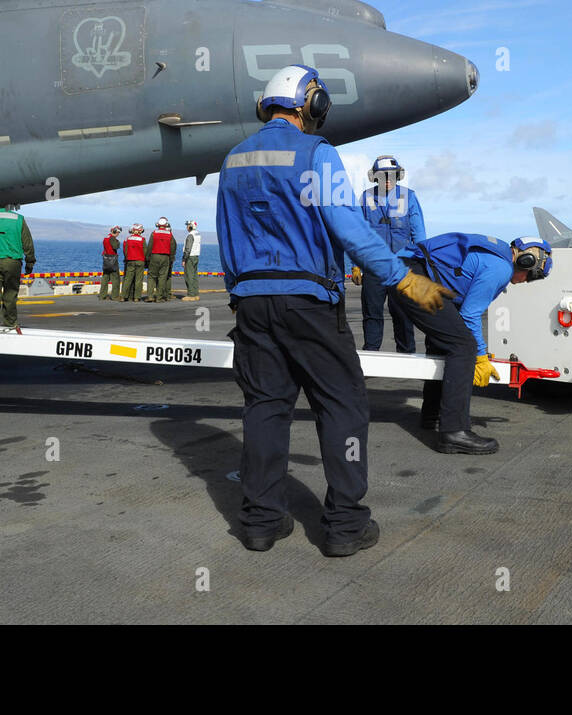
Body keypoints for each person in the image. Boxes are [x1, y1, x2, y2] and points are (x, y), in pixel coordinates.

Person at [217, 64, 453, 556]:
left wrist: (241, 296)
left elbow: (227, 233)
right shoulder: (316, 154)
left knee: (265, 407)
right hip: (308, 303)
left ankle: (261, 522)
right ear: (313, 105)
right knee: (341, 405)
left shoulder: (233, 159)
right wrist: (403, 278)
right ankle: (344, 526)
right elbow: (348, 228)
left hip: (253, 305)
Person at [395, 234, 553, 454]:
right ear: (526, 261)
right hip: (414, 277)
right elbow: (470, 315)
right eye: (532, 276)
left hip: (408, 272)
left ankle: (432, 414)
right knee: (463, 347)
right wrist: (479, 356)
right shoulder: (501, 269)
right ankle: (454, 432)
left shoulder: (497, 258)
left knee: (445, 341)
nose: (527, 281)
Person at [352, 155, 425, 353]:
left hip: (402, 268)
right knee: (372, 314)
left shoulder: (409, 197)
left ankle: (407, 356)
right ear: (374, 177)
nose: (387, 179)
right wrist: (355, 265)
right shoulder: (366, 198)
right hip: (373, 268)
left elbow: (419, 234)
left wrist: (422, 265)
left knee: (403, 315)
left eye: (391, 175)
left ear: (397, 176)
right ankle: (370, 356)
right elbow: (357, 233)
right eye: (382, 175)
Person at [147, 217, 176, 302]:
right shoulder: (169, 234)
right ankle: (159, 297)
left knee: (151, 276)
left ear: (158, 225)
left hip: (154, 256)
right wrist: (171, 258)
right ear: (166, 225)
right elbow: (173, 247)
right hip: (165, 257)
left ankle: (150, 296)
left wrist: (148, 258)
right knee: (162, 277)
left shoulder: (154, 233)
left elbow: (150, 246)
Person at [120, 224, 147, 302]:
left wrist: (127, 258)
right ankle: (136, 297)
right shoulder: (142, 239)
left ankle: (123, 296)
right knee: (138, 280)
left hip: (130, 261)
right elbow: (145, 251)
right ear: (139, 230)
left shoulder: (128, 239)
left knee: (128, 279)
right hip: (140, 261)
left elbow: (125, 251)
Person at [99, 226, 123, 300]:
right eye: (118, 232)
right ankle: (115, 296)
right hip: (112, 260)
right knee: (115, 278)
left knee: (105, 278)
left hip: (105, 260)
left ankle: (102, 295)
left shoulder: (105, 238)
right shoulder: (112, 238)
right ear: (115, 231)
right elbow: (115, 246)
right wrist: (118, 241)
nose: (118, 234)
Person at [182, 220, 202, 301]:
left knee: (189, 276)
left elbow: (188, 248)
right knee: (194, 276)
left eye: (187, 225)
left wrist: (184, 259)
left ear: (190, 226)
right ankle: (196, 294)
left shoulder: (190, 235)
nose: (187, 227)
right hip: (196, 256)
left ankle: (190, 295)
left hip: (190, 257)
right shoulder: (198, 234)